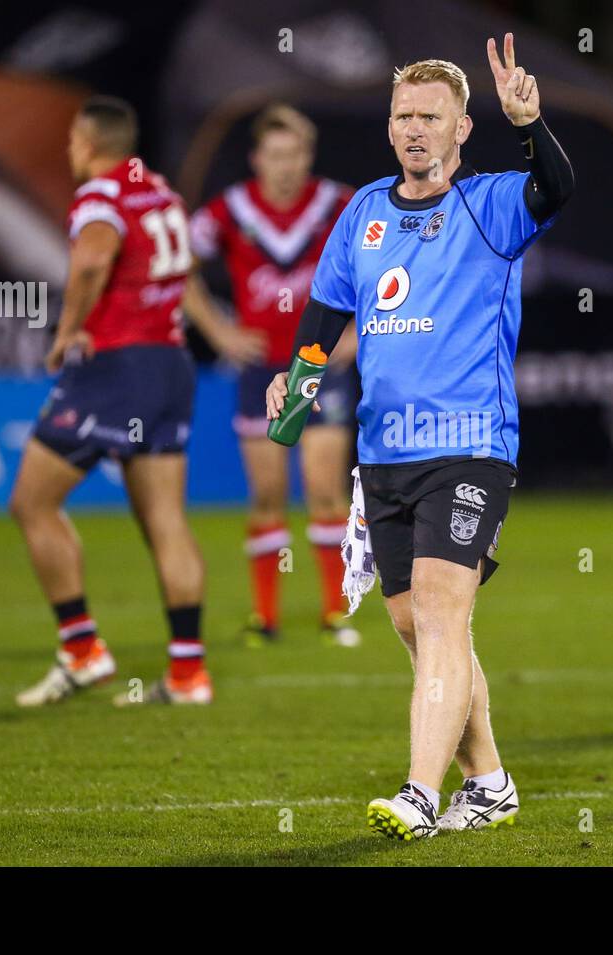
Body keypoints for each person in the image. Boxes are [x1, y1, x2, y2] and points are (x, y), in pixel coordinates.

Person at [265, 36, 573, 838]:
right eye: (403, 115)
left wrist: (531, 123)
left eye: (431, 117)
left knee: (440, 614)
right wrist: (295, 380)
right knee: (413, 625)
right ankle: (492, 781)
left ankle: (418, 793)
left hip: (470, 446)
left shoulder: (494, 202)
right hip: (384, 454)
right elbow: (325, 317)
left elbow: (557, 187)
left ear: (462, 129)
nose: (414, 129)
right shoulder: (363, 211)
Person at [12, 96, 211, 707]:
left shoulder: (101, 195)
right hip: (170, 364)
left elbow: (94, 258)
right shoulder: (160, 191)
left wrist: (69, 327)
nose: (70, 150)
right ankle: (187, 675)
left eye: (73, 139)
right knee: (165, 519)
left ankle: (82, 649)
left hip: (118, 365)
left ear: (91, 143)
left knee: (31, 503)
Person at [185, 104, 361, 648]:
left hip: (318, 361)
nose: (286, 165)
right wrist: (218, 333)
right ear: (258, 158)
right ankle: (267, 617)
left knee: (325, 487)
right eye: (276, 154)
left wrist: (357, 333)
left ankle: (335, 611)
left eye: (296, 154)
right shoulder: (228, 211)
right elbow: (177, 263)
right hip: (259, 368)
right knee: (266, 495)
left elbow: (392, 269)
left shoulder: (342, 205)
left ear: (308, 156)